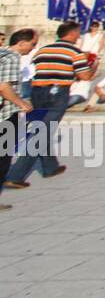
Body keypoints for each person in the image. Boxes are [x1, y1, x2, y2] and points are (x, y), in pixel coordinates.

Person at [6, 21, 95, 189]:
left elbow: (37, 68)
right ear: (72, 34)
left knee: (41, 127)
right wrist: (93, 67)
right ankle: (15, 175)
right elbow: (84, 76)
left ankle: (49, 167)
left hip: (38, 92)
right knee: (42, 132)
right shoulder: (75, 52)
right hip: (57, 93)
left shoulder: (43, 50)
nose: (79, 36)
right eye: (78, 33)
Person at [0, 30, 38, 209]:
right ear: (22, 43)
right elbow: (4, 87)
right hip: (5, 114)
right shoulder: (12, 58)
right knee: (3, 158)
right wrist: (21, 103)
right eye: (32, 44)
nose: (33, 48)